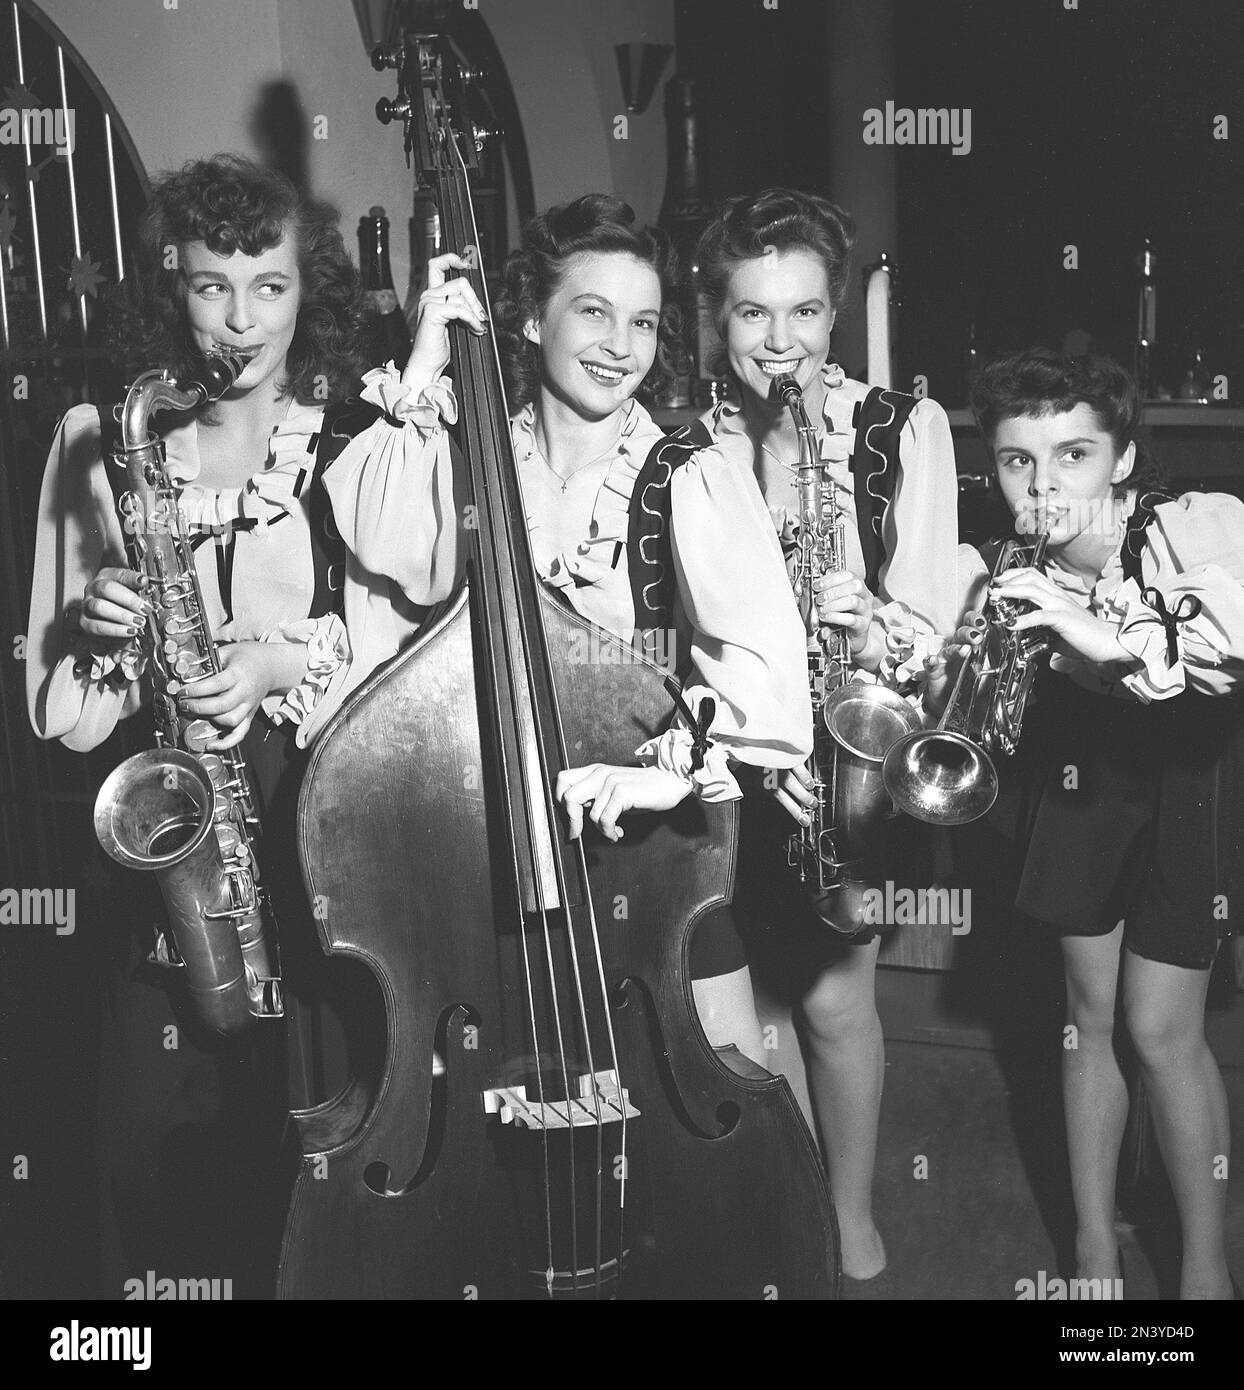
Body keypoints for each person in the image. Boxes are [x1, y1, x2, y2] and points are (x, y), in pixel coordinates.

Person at [25, 153, 454, 1292]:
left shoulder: (356, 435)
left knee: (304, 1157)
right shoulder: (98, 442)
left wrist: (272, 661)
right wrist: (94, 626)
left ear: (307, 290)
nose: (239, 317)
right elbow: (63, 724)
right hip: (169, 836)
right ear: (174, 289)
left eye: (267, 285)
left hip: (315, 828)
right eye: (212, 284)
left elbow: (421, 648)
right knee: (136, 1156)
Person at [322, 192, 813, 1063]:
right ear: (529, 319)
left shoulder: (686, 470)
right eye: (592, 312)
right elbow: (388, 549)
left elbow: (761, 660)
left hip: (656, 860)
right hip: (494, 842)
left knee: (732, 1121)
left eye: (645, 323)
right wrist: (427, 365)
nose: (620, 348)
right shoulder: (470, 457)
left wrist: (680, 770)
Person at [692, 188, 961, 1288]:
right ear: (717, 318)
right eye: (752, 315)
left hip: (846, 747)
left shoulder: (902, 428)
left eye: (803, 314)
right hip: (725, 749)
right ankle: (790, 1191)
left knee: (833, 995)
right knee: (745, 1000)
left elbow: (930, 626)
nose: (778, 345)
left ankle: (846, 1210)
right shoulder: (688, 434)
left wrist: (874, 620)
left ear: (835, 311)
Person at [957, 348, 1241, 1300]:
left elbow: (1228, 636)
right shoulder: (1007, 561)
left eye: (1074, 455)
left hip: (1186, 768)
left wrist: (1104, 635)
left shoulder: (1188, 527)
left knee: (1161, 1031)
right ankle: (1091, 1246)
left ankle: (1205, 1269)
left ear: (1122, 460)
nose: (1045, 487)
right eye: (1017, 462)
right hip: (1083, 775)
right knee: (1088, 1017)